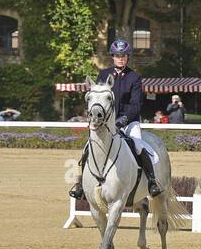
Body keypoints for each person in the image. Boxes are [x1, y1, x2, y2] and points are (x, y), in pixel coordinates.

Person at [68, 39, 163, 200]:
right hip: (106, 123)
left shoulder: (134, 77)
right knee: (88, 147)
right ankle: (81, 185)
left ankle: (152, 182)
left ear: (127, 57)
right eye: (118, 56)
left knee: (139, 146)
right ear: (113, 57)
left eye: (124, 56)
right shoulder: (104, 75)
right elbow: (99, 100)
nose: (121, 58)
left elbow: (136, 104)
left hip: (129, 121)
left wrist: (123, 120)